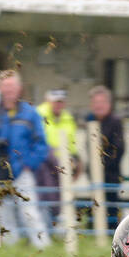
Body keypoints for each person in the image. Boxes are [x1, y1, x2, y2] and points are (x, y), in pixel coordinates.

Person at [0, 70, 50, 249]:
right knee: (3, 214)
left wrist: (28, 165)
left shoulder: (30, 114)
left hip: (22, 172)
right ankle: (11, 250)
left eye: (12, 86)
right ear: (0, 89)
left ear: (19, 88)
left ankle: (42, 247)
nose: (9, 90)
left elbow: (41, 145)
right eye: (5, 86)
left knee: (29, 211)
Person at [36, 89, 81, 229]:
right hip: (44, 165)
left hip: (63, 166)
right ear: (48, 101)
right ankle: (45, 229)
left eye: (61, 102)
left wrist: (74, 160)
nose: (58, 105)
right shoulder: (38, 115)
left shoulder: (68, 118)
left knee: (60, 198)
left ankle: (54, 230)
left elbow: (72, 143)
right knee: (44, 197)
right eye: (55, 102)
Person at [87, 85, 125, 230]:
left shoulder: (115, 122)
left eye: (101, 102)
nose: (98, 106)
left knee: (111, 207)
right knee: (94, 206)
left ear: (108, 104)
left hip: (111, 174)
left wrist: (102, 166)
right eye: (95, 102)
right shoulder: (91, 121)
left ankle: (112, 235)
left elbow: (119, 149)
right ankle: (94, 232)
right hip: (95, 175)